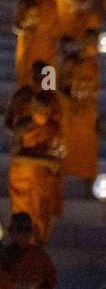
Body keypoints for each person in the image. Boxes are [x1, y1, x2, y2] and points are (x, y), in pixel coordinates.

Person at [7, 91, 63, 243]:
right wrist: (46, 161)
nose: (43, 114)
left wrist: (56, 162)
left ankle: (39, 245)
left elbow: (58, 150)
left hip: (43, 177)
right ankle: (21, 244)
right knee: (24, 213)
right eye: (39, 110)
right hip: (23, 177)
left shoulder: (54, 127)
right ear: (33, 109)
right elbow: (16, 156)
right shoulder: (23, 126)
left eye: (46, 111)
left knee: (42, 213)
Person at [58, 30, 100, 185]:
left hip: (88, 109)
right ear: (86, 45)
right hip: (72, 108)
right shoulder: (72, 62)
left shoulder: (94, 64)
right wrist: (73, 96)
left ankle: (88, 181)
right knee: (69, 143)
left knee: (88, 148)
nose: (96, 48)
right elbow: (62, 84)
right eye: (93, 45)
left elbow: (95, 89)